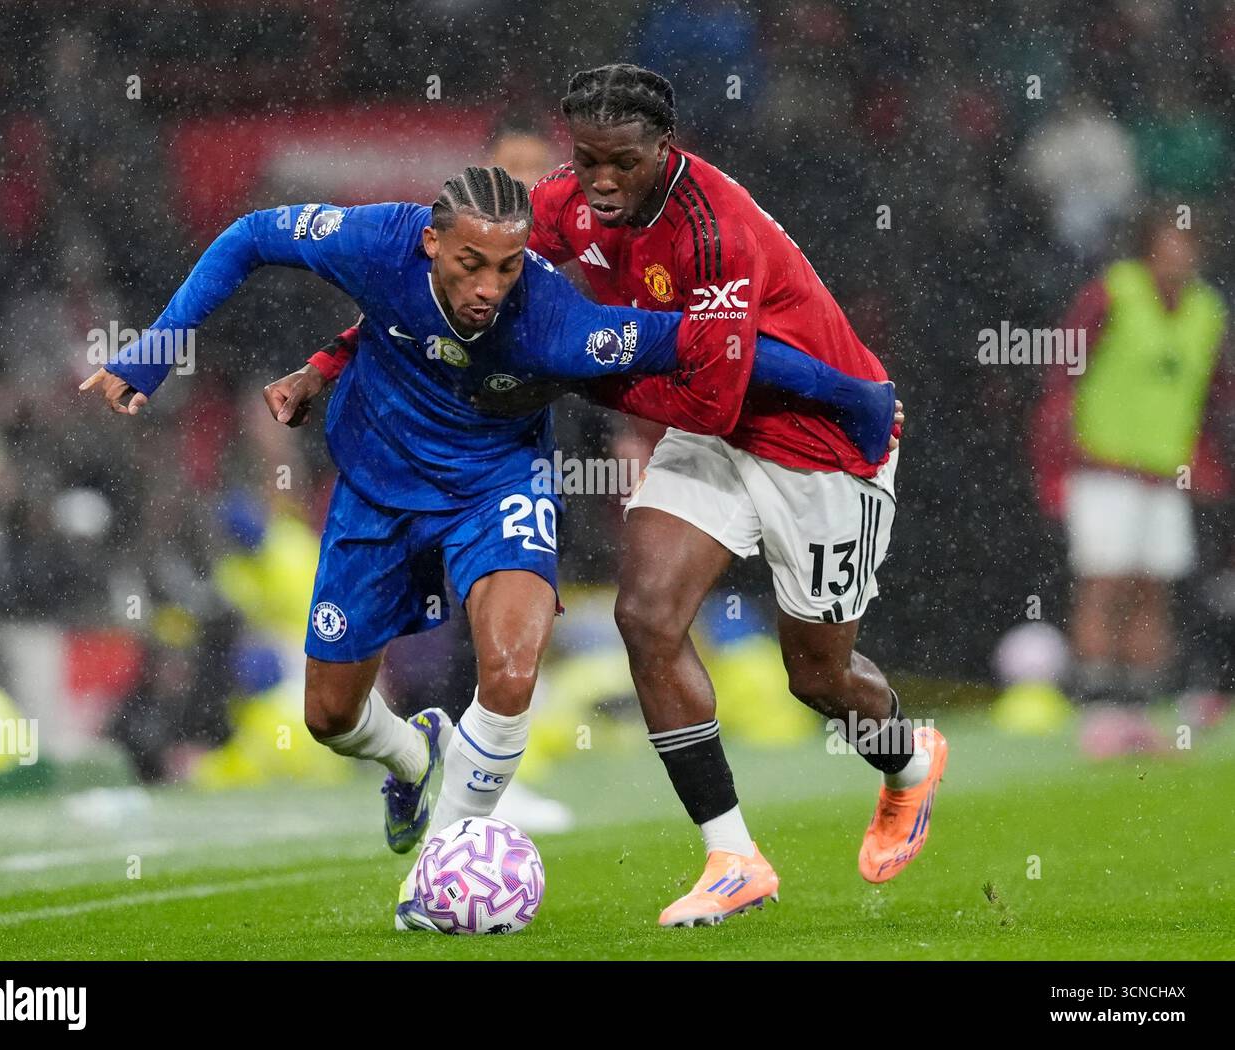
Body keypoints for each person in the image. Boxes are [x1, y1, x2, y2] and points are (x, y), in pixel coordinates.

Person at [80, 165, 899, 931]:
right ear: (433, 243)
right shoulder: (377, 242)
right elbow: (252, 235)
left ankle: (441, 864)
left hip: (497, 487)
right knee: (330, 718)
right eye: (472, 265)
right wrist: (154, 355)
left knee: (510, 670)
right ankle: (415, 753)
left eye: (507, 267)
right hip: (375, 490)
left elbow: (709, 345)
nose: (489, 288)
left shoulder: (554, 322)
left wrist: (854, 392)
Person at [283, 64, 945, 928]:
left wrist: (578, 375)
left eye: (621, 163)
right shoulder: (573, 200)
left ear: (664, 149)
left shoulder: (714, 236)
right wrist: (334, 358)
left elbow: (708, 393)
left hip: (817, 445)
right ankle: (732, 855)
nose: (600, 182)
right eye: (587, 159)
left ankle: (906, 760)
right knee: (646, 618)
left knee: (816, 677)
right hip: (717, 438)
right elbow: (449, 291)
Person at [1034, 210, 1229, 757]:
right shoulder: (1112, 295)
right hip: (1103, 469)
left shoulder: (1207, 312)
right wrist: (1054, 463)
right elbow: (1062, 377)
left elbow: (1215, 397)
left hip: (1166, 473)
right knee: (1105, 585)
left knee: (1153, 590)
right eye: (1172, 244)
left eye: (1190, 245)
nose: (1182, 256)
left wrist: (1206, 463)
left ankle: (1140, 713)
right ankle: (1100, 713)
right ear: (1149, 248)